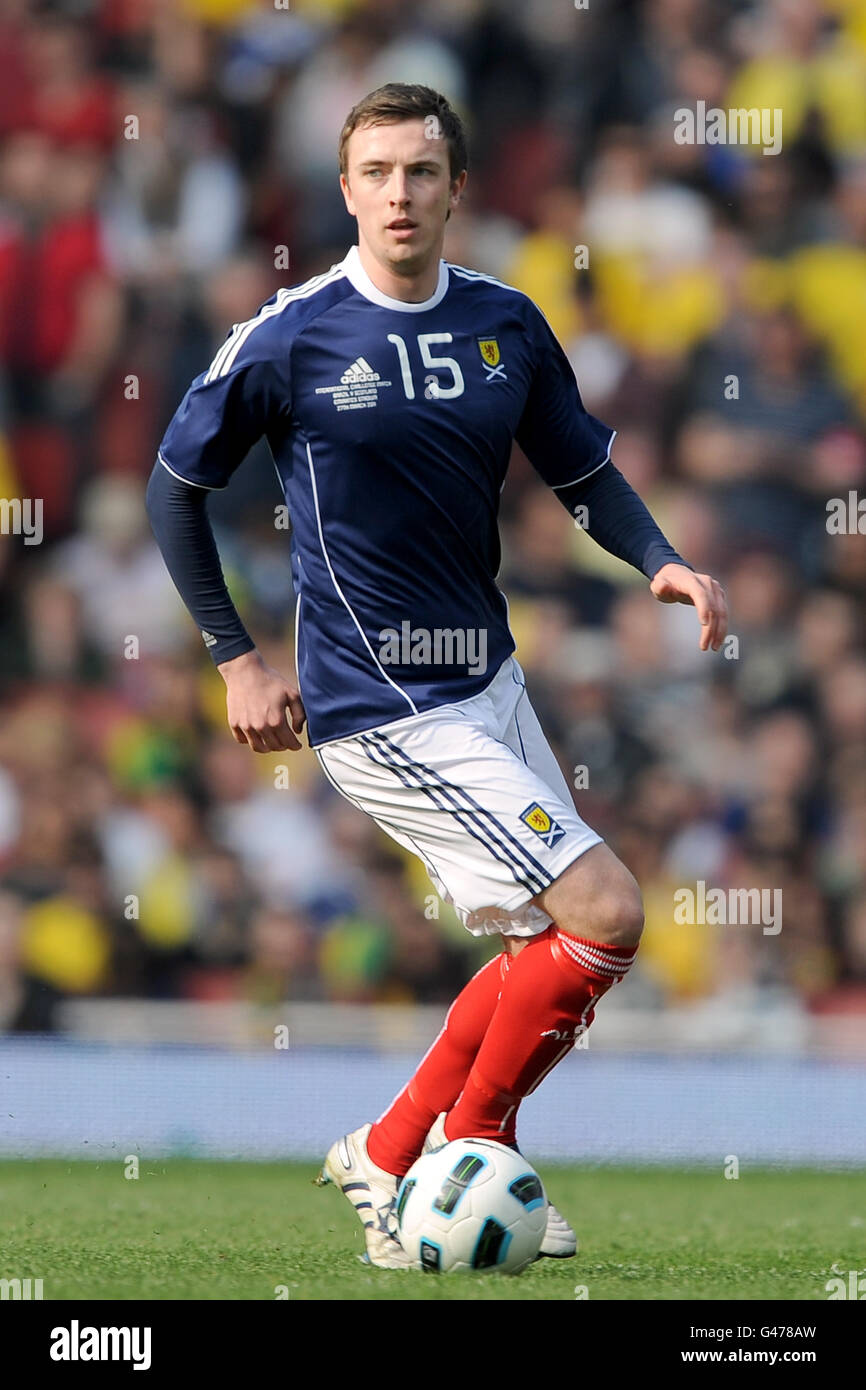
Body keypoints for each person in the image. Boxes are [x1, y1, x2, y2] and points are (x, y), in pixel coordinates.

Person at [146, 83, 728, 1269]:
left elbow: (582, 471)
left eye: (421, 171)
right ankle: (460, 1151)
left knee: (544, 951)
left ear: (458, 188)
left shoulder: (505, 322)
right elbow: (174, 488)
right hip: (377, 704)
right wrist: (236, 655)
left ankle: (396, 1146)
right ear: (346, 187)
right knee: (606, 911)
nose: (399, 193)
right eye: (376, 172)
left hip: (486, 679)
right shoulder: (292, 333)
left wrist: (659, 560)